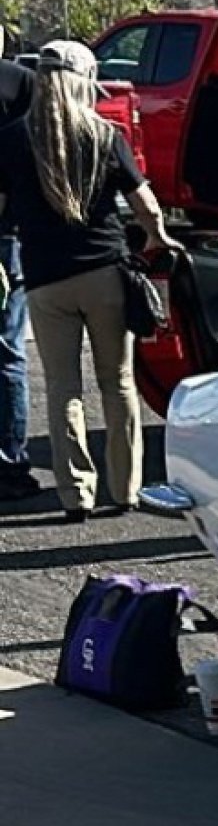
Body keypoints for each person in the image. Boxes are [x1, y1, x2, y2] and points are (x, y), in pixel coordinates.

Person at [0, 40, 181, 521]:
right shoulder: (105, 134)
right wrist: (158, 239)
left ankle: (75, 493)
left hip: (45, 280)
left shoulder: (13, 140)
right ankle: (125, 488)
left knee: (63, 389)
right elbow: (146, 205)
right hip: (105, 273)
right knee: (117, 383)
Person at [0, 25, 35, 503]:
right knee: (8, 348)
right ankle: (10, 463)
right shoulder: (21, 82)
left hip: (7, 233)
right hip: (9, 234)